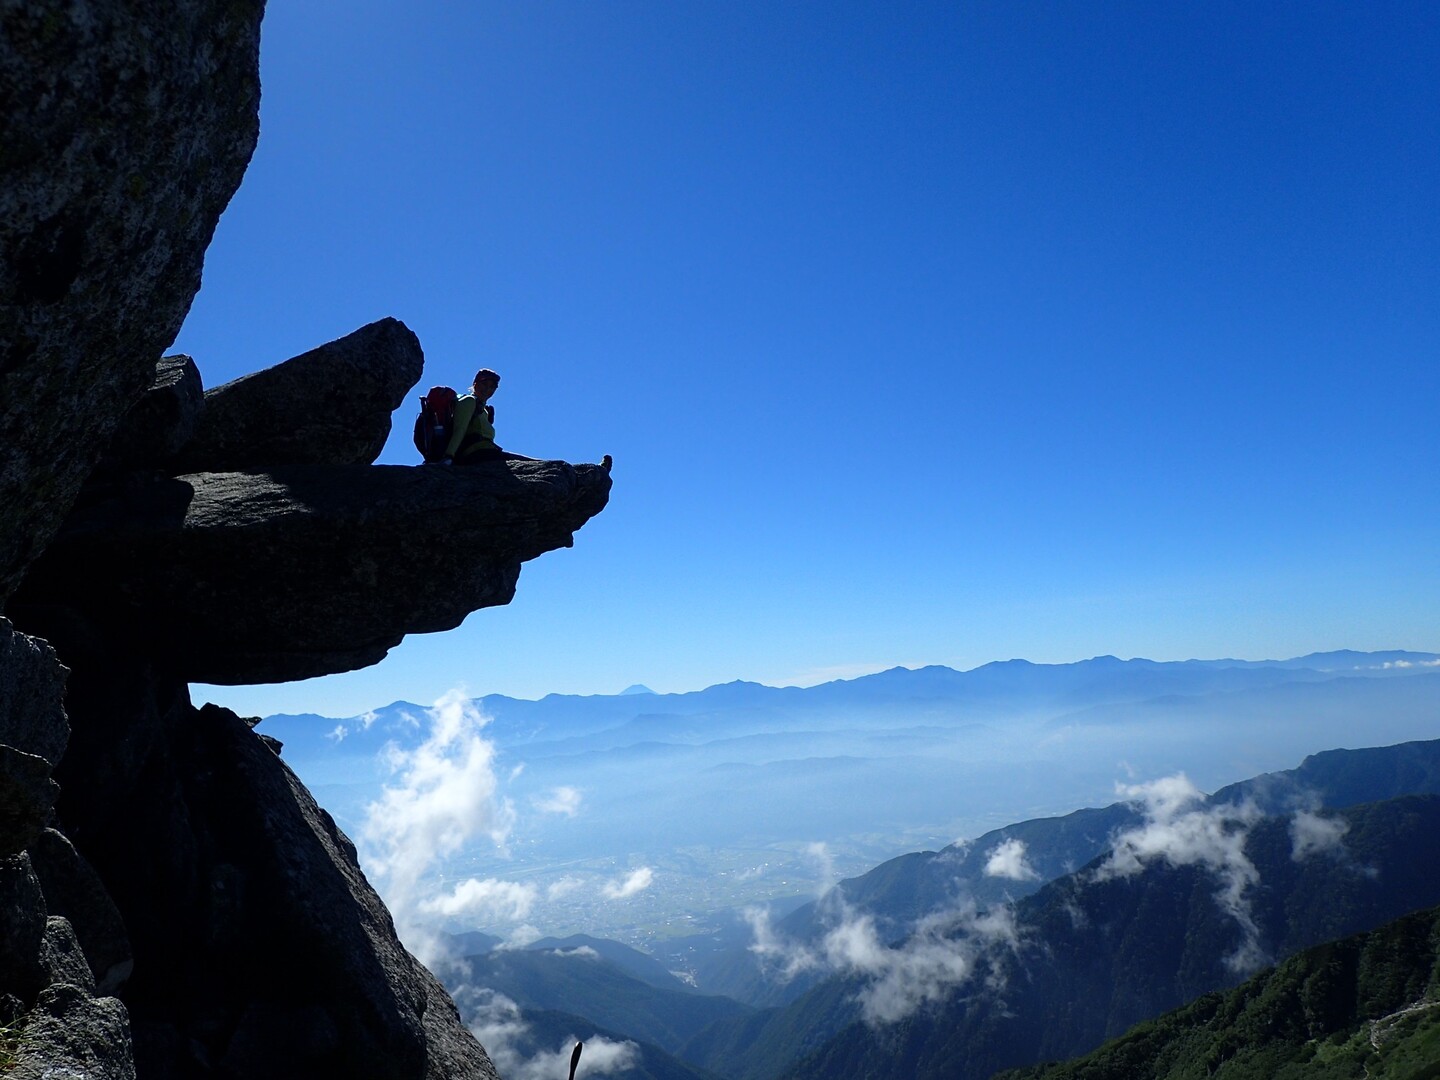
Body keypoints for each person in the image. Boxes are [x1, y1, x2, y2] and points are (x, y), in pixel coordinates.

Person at [442, 368, 534, 464]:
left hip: (486, 452)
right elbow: (459, 429)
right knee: (532, 464)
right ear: (475, 384)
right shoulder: (469, 401)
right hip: (477, 454)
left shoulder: (484, 410)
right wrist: (449, 456)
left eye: (492, 387)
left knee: (534, 463)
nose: (487, 389)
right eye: (484, 384)